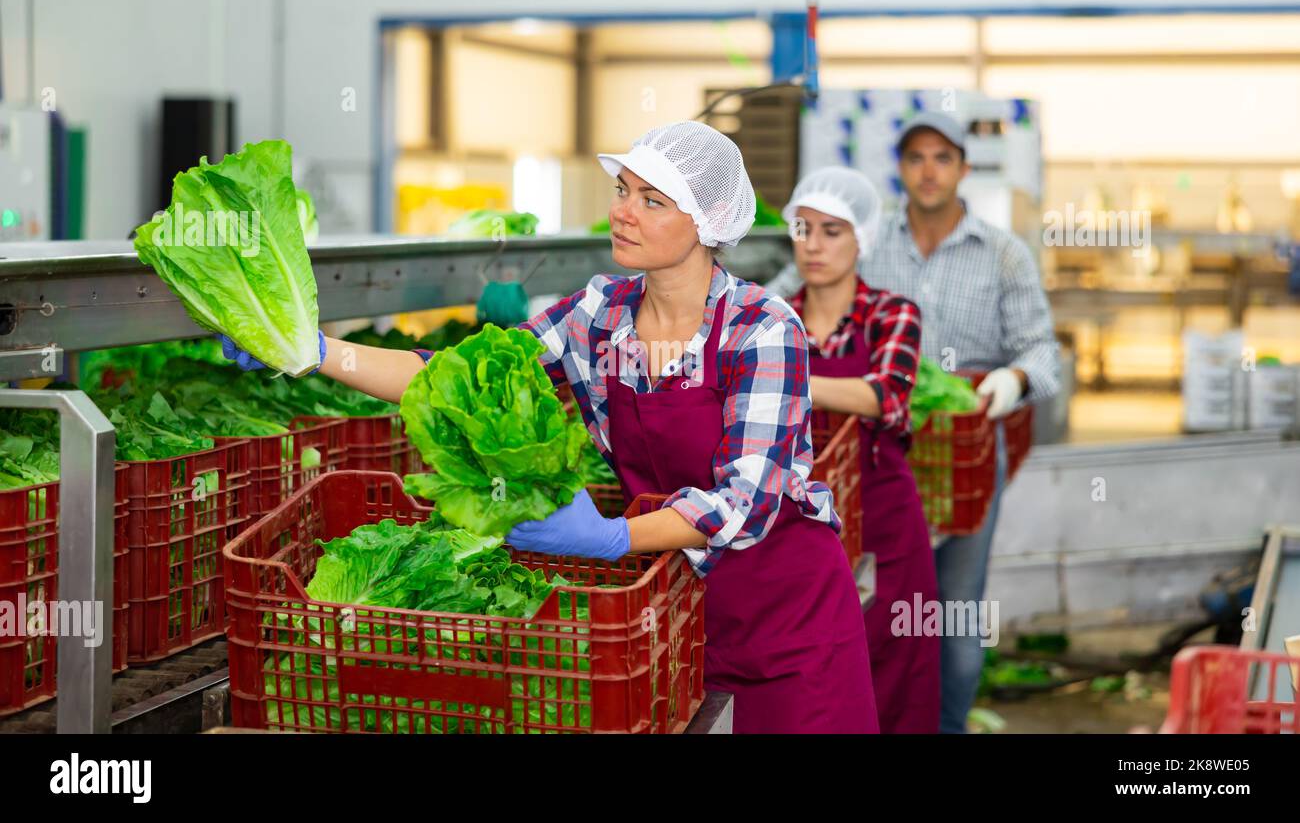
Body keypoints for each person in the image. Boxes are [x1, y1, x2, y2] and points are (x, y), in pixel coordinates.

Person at [223, 121, 879, 734]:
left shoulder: (762, 329)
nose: (622, 209)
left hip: (791, 622)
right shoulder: (600, 309)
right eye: (623, 190)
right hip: (682, 613)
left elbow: (746, 503)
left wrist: (613, 536)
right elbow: (465, 377)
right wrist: (316, 352)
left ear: (706, 222)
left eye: (652, 200)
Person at [869, 111, 1060, 733]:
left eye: (942, 158)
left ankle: (945, 726)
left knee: (953, 604)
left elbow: (1041, 351)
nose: (929, 171)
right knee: (883, 596)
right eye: (916, 158)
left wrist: (1010, 382)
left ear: (964, 170)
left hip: (966, 446)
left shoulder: (1004, 253)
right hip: (882, 444)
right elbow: (799, 294)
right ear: (899, 169)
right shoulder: (869, 243)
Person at [776, 166, 940, 734]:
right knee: (816, 674)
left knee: (898, 668)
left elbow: (886, 395)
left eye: (832, 231)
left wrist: (781, 378)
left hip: (884, 523)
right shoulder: (777, 319)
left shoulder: (891, 315)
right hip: (799, 529)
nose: (814, 245)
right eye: (803, 229)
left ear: (861, 239)